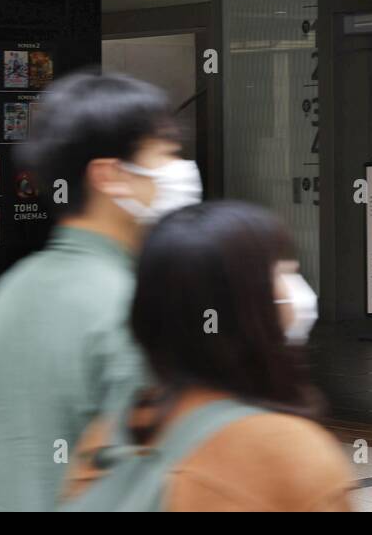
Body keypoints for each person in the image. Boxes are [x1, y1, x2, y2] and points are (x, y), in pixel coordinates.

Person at [0, 71, 199, 511]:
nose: (182, 172)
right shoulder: (135, 307)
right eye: (165, 154)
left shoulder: (11, 291)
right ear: (109, 176)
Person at [62, 201, 353, 512]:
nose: (296, 292)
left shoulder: (113, 431)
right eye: (282, 273)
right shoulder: (289, 455)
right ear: (249, 304)